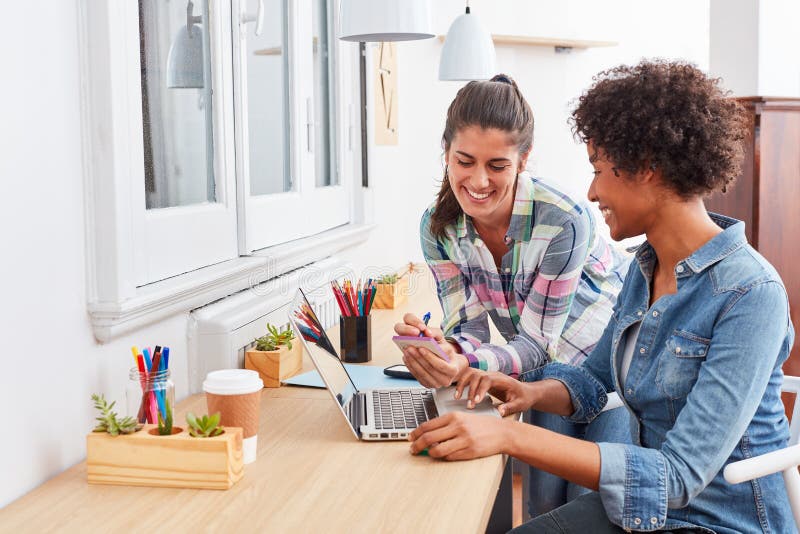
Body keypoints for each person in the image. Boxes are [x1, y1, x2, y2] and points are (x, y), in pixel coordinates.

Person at [407, 59, 796, 533]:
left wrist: (507, 435)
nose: (591, 192)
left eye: (599, 170)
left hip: (721, 522)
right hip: (648, 511)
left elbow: (678, 476)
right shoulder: (645, 268)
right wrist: (524, 390)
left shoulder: (750, 294)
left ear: (646, 168)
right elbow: (593, 383)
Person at [394, 74, 631, 515]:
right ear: (445, 152)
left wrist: (464, 361)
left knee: (594, 510)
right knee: (542, 507)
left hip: (609, 372)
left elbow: (537, 344)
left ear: (523, 160)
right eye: (464, 161)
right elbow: (468, 327)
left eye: (497, 166)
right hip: (543, 381)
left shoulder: (564, 218)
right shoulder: (438, 228)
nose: (478, 181)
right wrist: (443, 352)